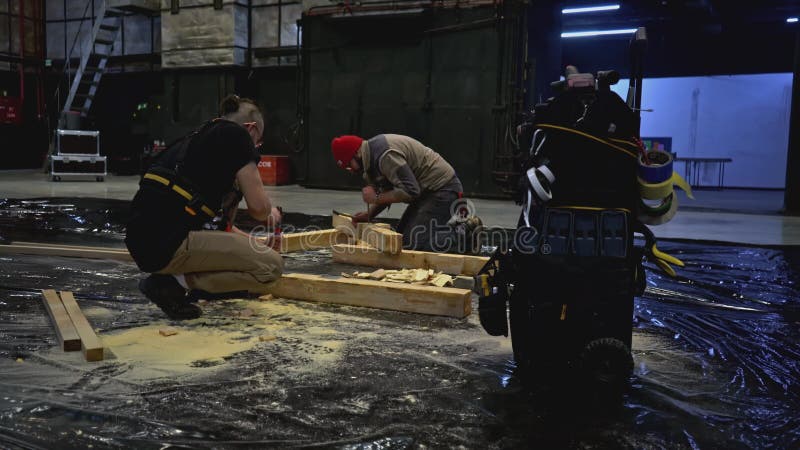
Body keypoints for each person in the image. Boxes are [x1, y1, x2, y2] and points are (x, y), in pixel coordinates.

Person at [125, 95, 283, 320]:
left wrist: (255, 244)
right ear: (252, 129)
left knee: (258, 255)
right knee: (271, 266)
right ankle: (172, 284)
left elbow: (221, 227)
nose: (255, 149)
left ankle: (172, 281)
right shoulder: (236, 135)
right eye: (257, 143)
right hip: (168, 243)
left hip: (145, 241)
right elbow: (259, 209)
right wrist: (272, 214)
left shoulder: (197, 138)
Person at [331, 133, 477, 252]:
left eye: (349, 165)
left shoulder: (385, 156)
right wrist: (369, 214)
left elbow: (410, 191)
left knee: (415, 245)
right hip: (425, 193)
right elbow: (388, 191)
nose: (351, 171)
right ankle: (449, 229)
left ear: (356, 153)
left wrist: (375, 198)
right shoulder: (369, 161)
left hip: (443, 188)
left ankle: (463, 233)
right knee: (400, 239)